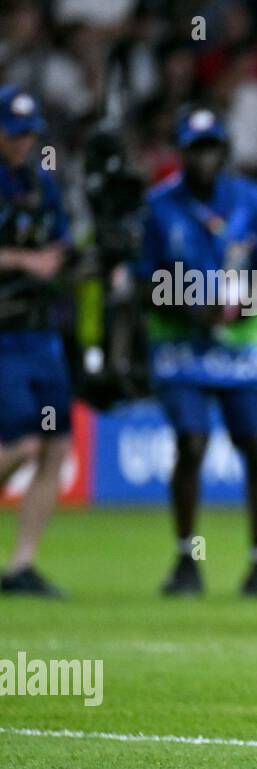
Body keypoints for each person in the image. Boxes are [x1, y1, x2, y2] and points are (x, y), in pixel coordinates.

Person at [136, 107, 257, 597]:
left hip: (244, 341)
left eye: (210, 148)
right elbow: (142, 281)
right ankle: (186, 558)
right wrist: (184, 305)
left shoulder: (253, 199)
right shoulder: (158, 205)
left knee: (255, 447)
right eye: (194, 148)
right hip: (181, 342)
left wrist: (248, 303)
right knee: (191, 442)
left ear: (222, 151)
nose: (203, 158)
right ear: (182, 152)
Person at [0, 87, 71, 597]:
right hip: (3, 334)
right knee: (21, 443)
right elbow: (36, 256)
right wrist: (25, 262)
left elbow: (61, 243)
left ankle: (22, 563)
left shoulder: (42, 186)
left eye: (29, 133)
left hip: (41, 330)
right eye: (14, 132)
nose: (24, 141)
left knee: (55, 445)